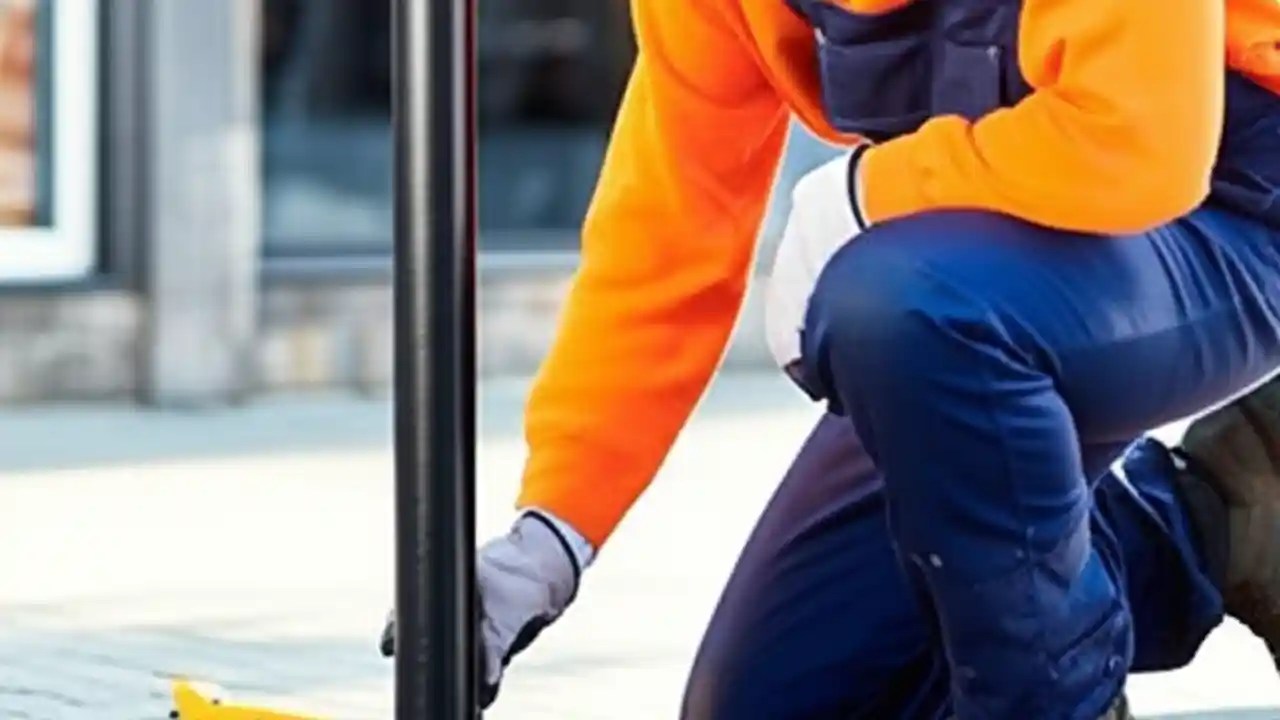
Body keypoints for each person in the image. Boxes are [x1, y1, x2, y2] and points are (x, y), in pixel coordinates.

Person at [383, 0, 1280, 716]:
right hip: (987, 279)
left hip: (1232, 206)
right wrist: (551, 536)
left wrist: (866, 194)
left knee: (897, 303)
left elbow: (1140, 144)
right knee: (776, 703)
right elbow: (668, 238)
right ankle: (1217, 520)